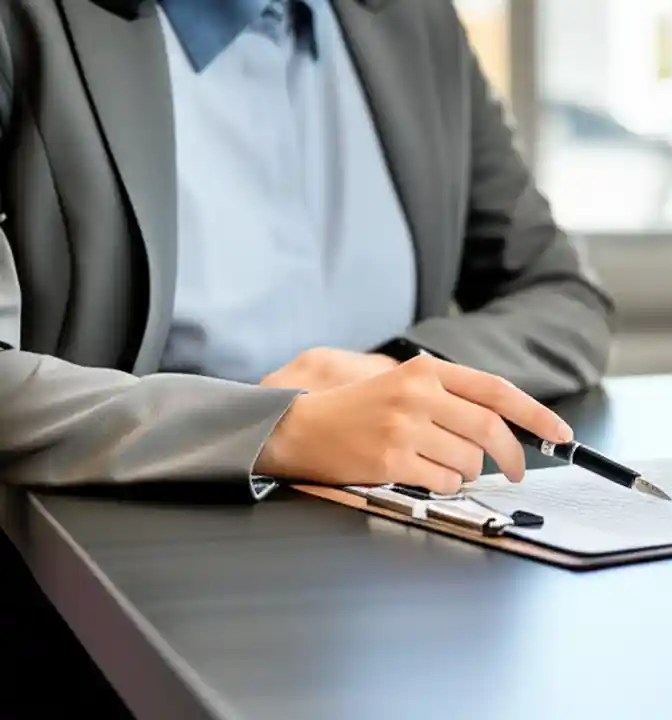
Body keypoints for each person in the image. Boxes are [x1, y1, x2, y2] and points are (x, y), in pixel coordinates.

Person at [0, 0, 611, 497]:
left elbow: (561, 296)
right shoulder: (29, 24)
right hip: (115, 567)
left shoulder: (412, 21)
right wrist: (281, 430)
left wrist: (392, 370)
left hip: (396, 553)